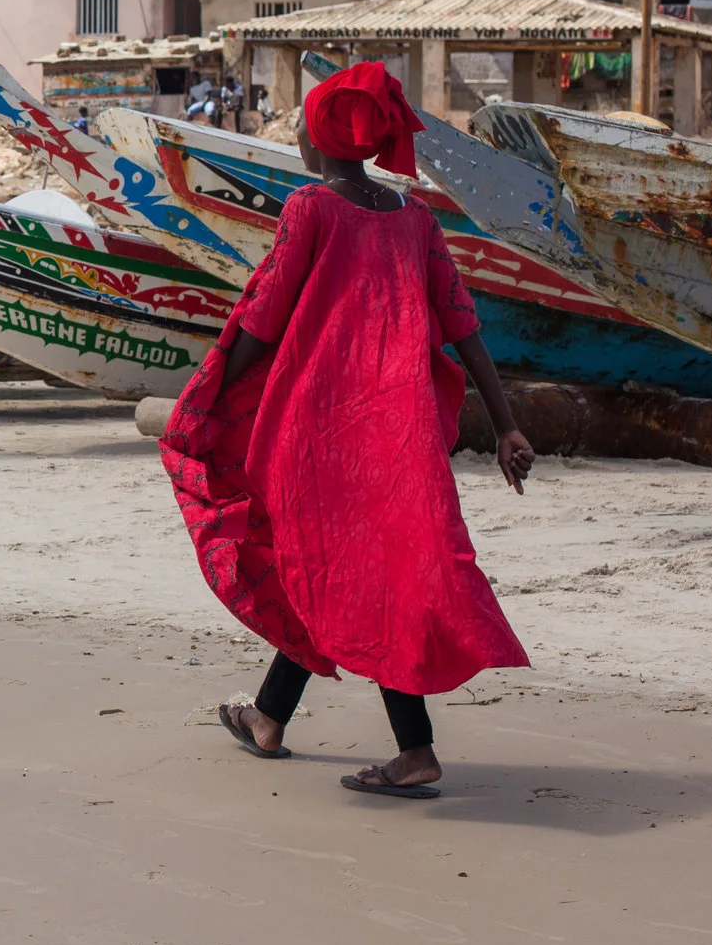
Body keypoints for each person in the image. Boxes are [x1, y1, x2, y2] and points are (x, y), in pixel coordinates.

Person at [160, 61, 536, 799]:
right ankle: (269, 716)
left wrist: (211, 389)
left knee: (332, 563)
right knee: (353, 566)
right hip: (398, 434)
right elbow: (464, 327)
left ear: (323, 134)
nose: (296, 131)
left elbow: (264, 316)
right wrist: (506, 426)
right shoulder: (415, 220)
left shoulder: (311, 209)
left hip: (320, 432)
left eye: (302, 120)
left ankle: (414, 748)